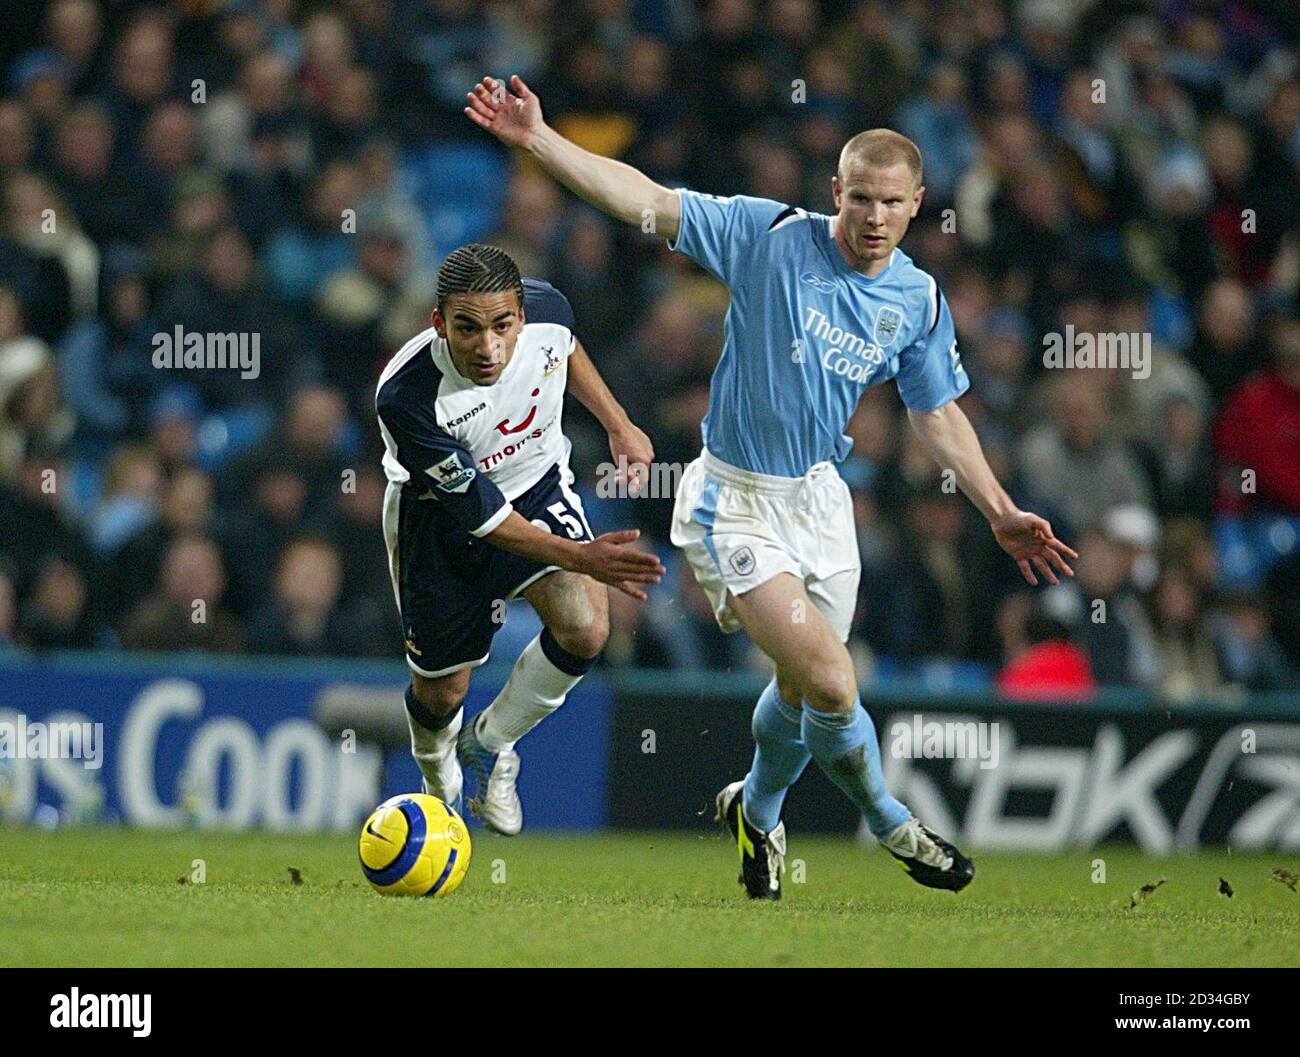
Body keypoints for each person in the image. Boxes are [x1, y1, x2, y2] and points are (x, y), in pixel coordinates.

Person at [466, 75, 1077, 897]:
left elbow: (938, 414)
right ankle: (894, 820)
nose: (872, 217)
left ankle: (756, 810)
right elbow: (646, 199)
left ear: (918, 203)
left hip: (822, 502)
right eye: (859, 198)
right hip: (735, 501)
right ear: (836, 192)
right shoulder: (771, 236)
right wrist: (541, 141)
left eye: (891, 203)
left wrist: (999, 507)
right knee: (830, 678)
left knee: (798, 688)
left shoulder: (918, 300)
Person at [376, 242, 661, 834]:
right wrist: (581, 556)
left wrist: (618, 422)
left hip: (535, 484)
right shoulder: (407, 399)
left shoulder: (549, 311)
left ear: (521, 317)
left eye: (503, 325)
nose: (489, 346)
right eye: (468, 329)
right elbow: (482, 515)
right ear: (439, 323)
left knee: (586, 628)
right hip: (442, 524)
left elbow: (568, 351)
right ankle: (436, 777)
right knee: (440, 693)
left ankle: (491, 744)